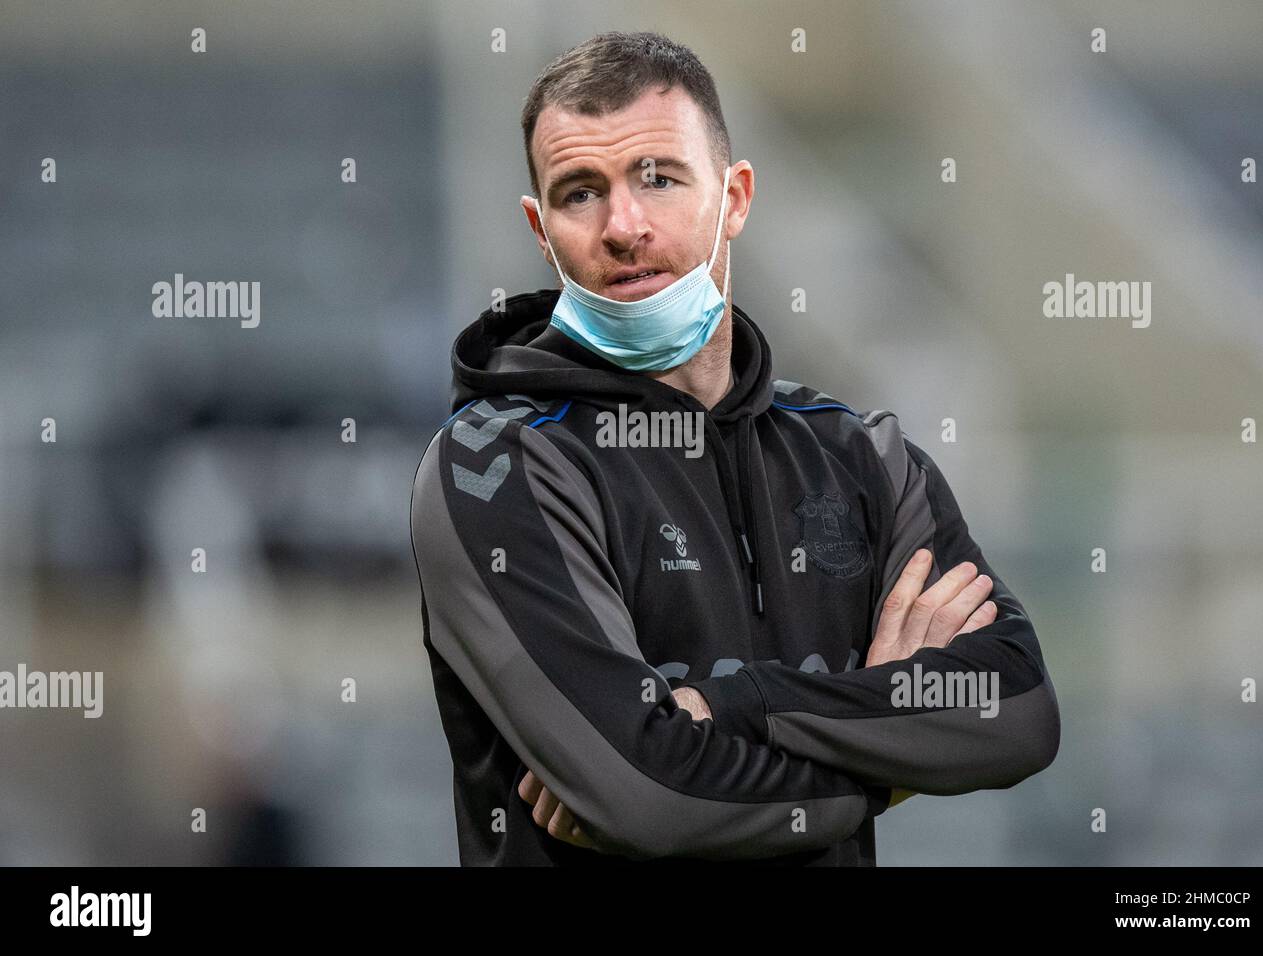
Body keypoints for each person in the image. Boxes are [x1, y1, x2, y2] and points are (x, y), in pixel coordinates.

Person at [409, 31, 1060, 866]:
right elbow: (651, 793)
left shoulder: (859, 456)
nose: (623, 225)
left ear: (735, 196)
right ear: (542, 231)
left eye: (659, 178)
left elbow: (1018, 710)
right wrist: (886, 760)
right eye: (580, 193)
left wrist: (740, 706)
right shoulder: (492, 468)